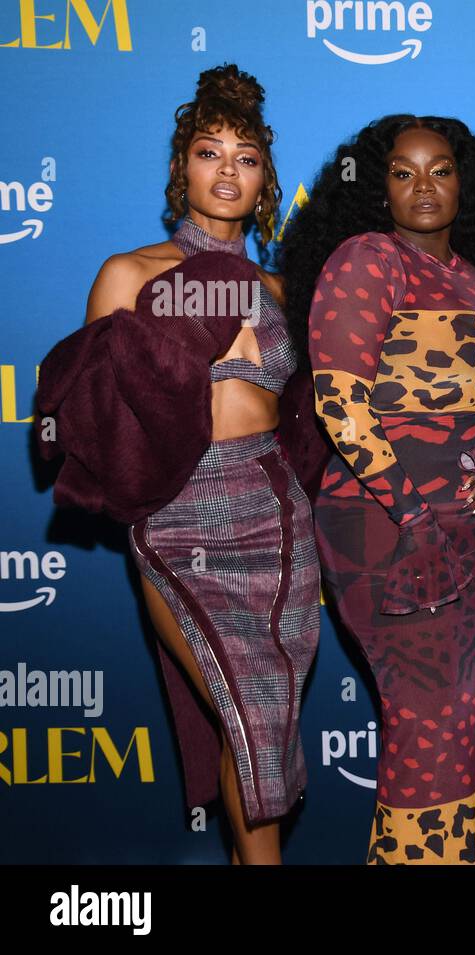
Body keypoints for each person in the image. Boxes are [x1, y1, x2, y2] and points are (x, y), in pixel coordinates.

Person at [37, 64, 325, 864]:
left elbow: (312, 412)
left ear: (266, 178)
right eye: (209, 151)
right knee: (255, 712)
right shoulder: (130, 274)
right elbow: (85, 414)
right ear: (181, 168)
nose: (227, 169)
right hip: (183, 519)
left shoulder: (280, 286)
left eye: (246, 156)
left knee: (255, 729)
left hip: (280, 521)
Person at [280, 114, 475, 864]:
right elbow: (341, 401)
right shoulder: (367, 258)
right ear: (381, 187)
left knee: (468, 728)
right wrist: (414, 514)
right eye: (404, 171)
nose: (424, 186)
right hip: (390, 528)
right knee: (425, 730)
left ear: (467, 182)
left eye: (440, 169)